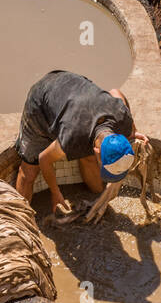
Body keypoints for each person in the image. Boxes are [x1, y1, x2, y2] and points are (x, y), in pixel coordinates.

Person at [14, 70, 146, 213]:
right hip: (42, 100)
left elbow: (115, 92)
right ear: (97, 151)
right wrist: (55, 192)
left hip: (74, 96)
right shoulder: (73, 136)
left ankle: (97, 195)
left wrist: (133, 131)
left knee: (86, 156)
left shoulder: (122, 117)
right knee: (29, 172)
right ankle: (20, 217)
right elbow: (44, 159)